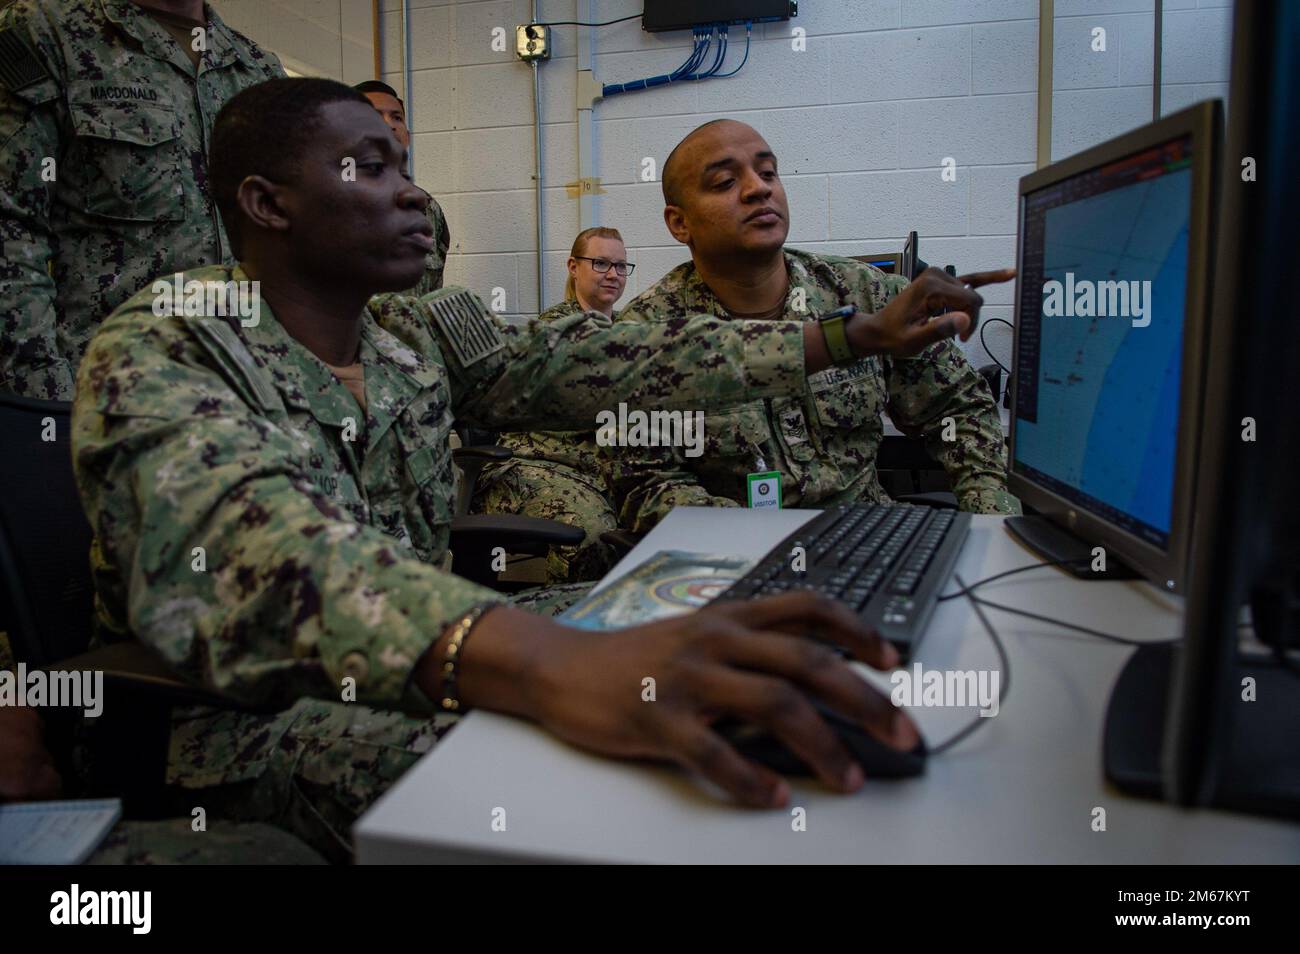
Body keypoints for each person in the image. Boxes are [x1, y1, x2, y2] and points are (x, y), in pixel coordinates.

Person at [72, 78, 1008, 860]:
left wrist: (847, 334)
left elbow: (616, 361)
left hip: (437, 653)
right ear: (268, 204)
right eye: (370, 168)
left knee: (713, 620)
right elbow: (263, 559)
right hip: (237, 720)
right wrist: (552, 665)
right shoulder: (169, 341)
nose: (411, 195)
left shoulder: (414, 337)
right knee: (607, 760)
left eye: (406, 166)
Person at [607, 119, 1021, 534]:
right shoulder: (644, 337)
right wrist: (761, 541)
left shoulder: (866, 295)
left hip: (871, 539)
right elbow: (644, 485)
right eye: (726, 181)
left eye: (768, 173)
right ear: (680, 223)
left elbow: (960, 409)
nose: (758, 188)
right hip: (733, 560)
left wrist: (992, 527)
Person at [0, 0, 283, 399]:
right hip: (111, 390)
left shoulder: (256, 68)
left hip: (244, 391)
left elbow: (290, 243)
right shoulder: (48, 31)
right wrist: (45, 391)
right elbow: (11, 224)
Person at [473, 227, 632, 583]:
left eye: (621, 266)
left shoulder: (631, 330)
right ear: (574, 267)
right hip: (537, 465)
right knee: (594, 534)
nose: (613, 274)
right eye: (601, 263)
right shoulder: (553, 331)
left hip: (601, 471)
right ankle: (570, 627)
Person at [353, 80, 450, 296]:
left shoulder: (428, 209)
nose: (389, 124)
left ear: (408, 136)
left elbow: (431, 298)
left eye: (397, 117)